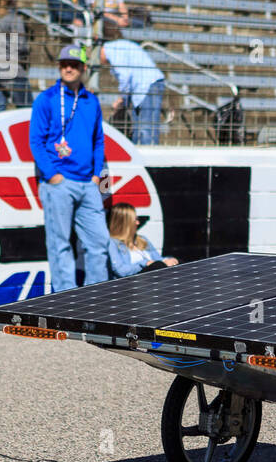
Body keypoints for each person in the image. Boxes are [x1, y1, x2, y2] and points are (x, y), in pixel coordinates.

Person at [30, 42, 108, 292]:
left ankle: (95, 300)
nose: (68, 68)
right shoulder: (46, 99)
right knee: (60, 244)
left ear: (84, 67)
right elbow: (36, 141)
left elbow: (99, 140)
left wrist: (97, 177)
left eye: (74, 64)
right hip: (59, 183)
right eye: (64, 64)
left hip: (88, 184)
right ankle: (66, 301)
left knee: (98, 243)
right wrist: (52, 176)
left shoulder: (92, 101)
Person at [99, 26, 165, 145]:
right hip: (143, 87)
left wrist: (122, 98)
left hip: (148, 84)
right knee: (139, 127)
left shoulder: (113, 50)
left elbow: (125, 75)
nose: (100, 63)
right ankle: (139, 156)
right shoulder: (117, 48)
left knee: (146, 128)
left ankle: (149, 158)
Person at [107, 202, 178, 277]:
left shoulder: (142, 239)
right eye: (135, 220)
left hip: (154, 278)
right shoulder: (112, 243)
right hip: (132, 282)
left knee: (177, 262)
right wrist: (145, 263)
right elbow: (121, 271)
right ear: (124, 224)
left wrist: (169, 260)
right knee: (158, 265)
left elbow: (158, 258)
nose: (138, 223)